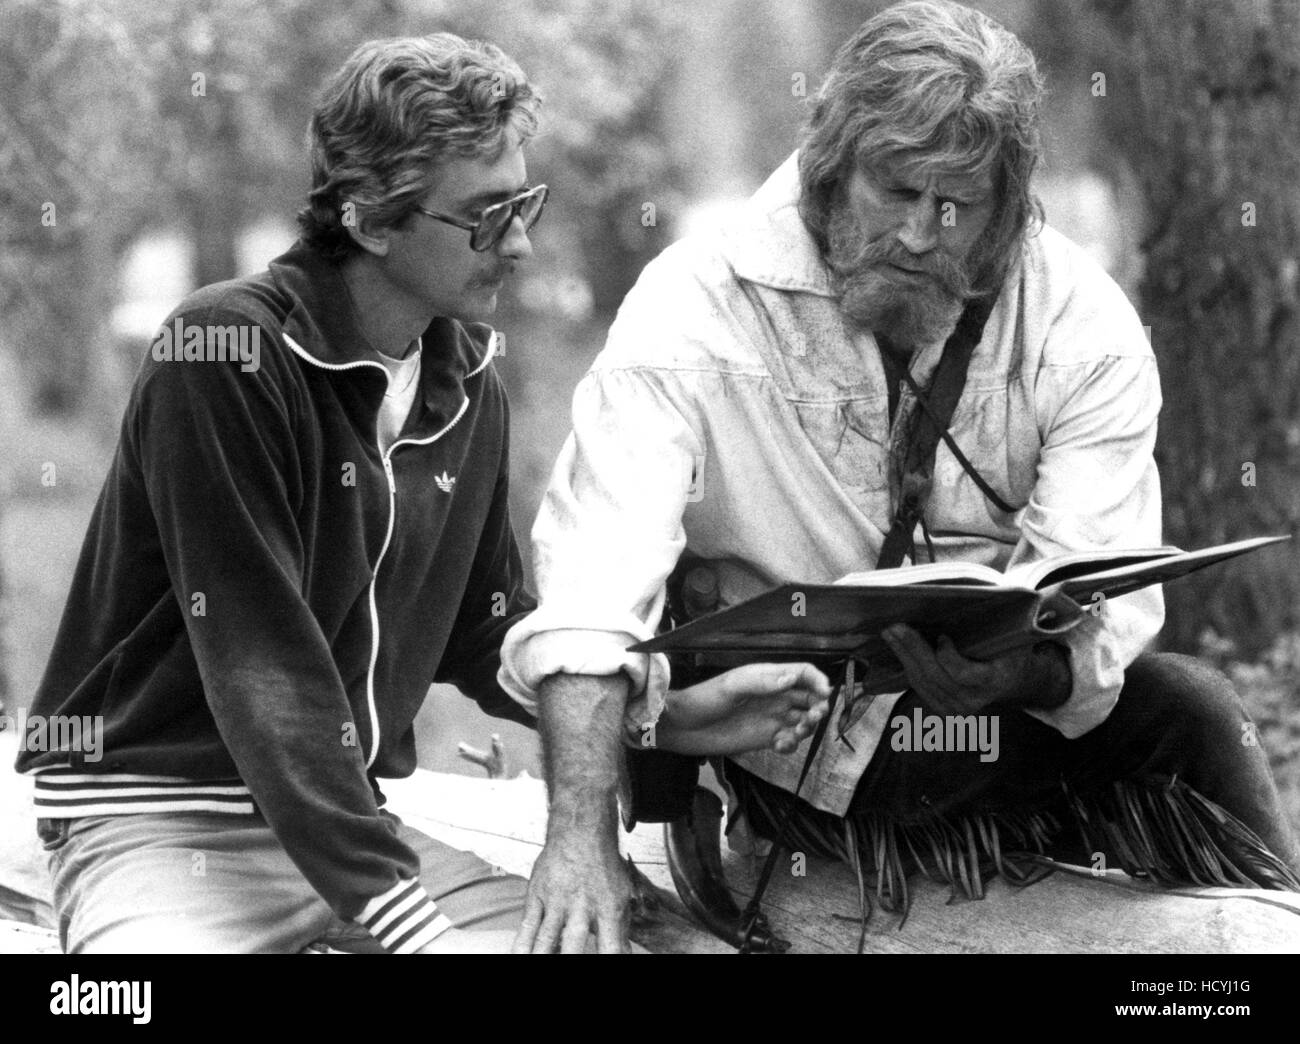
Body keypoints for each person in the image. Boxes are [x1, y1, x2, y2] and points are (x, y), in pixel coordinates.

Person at [499, 0, 1300, 953]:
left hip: (986, 725)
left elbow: (1099, 595)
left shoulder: (1081, 326)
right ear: (833, 171)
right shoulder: (692, 310)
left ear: (1008, 208)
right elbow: (593, 591)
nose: (923, 232)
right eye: (897, 190)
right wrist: (578, 842)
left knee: (1195, 712)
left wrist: (1017, 669)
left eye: (958, 203)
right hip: (777, 736)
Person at [15, 32, 830, 955]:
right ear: (368, 218)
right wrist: (412, 929)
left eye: (523, 202)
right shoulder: (224, 355)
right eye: (484, 217)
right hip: (161, 826)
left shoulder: (464, 377)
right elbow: (264, 676)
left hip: (349, 828)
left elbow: (483, 628)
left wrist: (667, 714)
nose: (519, 243)